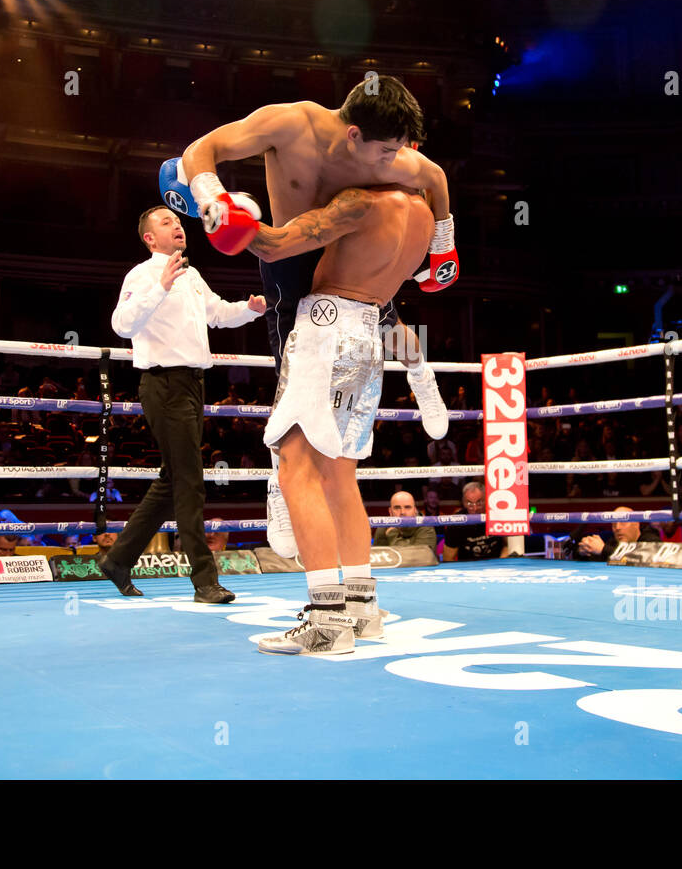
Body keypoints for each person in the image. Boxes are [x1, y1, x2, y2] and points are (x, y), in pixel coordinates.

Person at [169, 77, 456, 564]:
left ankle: (422, 378)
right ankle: (281, 486)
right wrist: (213, 201)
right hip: (290, 254)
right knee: (290, 373)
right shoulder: (290, 123)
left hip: (349, 253)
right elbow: (202, 148)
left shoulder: (394, 157)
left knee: (390, 325)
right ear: (354, 134)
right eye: (387, 150)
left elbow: (437, 179)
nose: (395, 160)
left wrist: (443, 244)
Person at [204, 185, 433, 654]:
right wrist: (422, 378)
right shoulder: (415, 212)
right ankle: (362, 608)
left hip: (322, 337)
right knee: (339, 477)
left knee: (296, 470)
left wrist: (217, 211)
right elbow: (397, 324)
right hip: (365, 341)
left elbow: (271, 244)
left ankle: (327, 622)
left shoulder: (347, 206)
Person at [100, 205, 264, 603]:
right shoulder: (142, 275)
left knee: (173, 480)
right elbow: (121, 324)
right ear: (149, 238)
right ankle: (205, 580)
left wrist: (249, 310)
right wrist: (160, 286)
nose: (177, 225)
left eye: (177, 221)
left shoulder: (191, 274)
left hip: (193, 384)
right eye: (166, 222)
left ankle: (118, 560)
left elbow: (218, 314)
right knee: (189, 482)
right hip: (164, 384)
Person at [442, 482, 517, 561]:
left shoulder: (498, 515)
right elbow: (448, 558)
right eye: (469, 503)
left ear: (487, 500)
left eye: (479, 502)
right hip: (467, 566)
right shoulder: (457, 522)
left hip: (496, 564)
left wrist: (500, 564)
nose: (475, 508)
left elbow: (508, 545)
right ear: (463, 502)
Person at [572, 507, 662, 560]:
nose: (617, 528)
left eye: (623, 522)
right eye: (614, 524)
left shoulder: (650, 538)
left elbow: (645, 558)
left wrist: (603, 549)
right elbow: (599, 558)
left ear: (636, 523)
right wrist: (585, 550)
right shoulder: (613, 542)